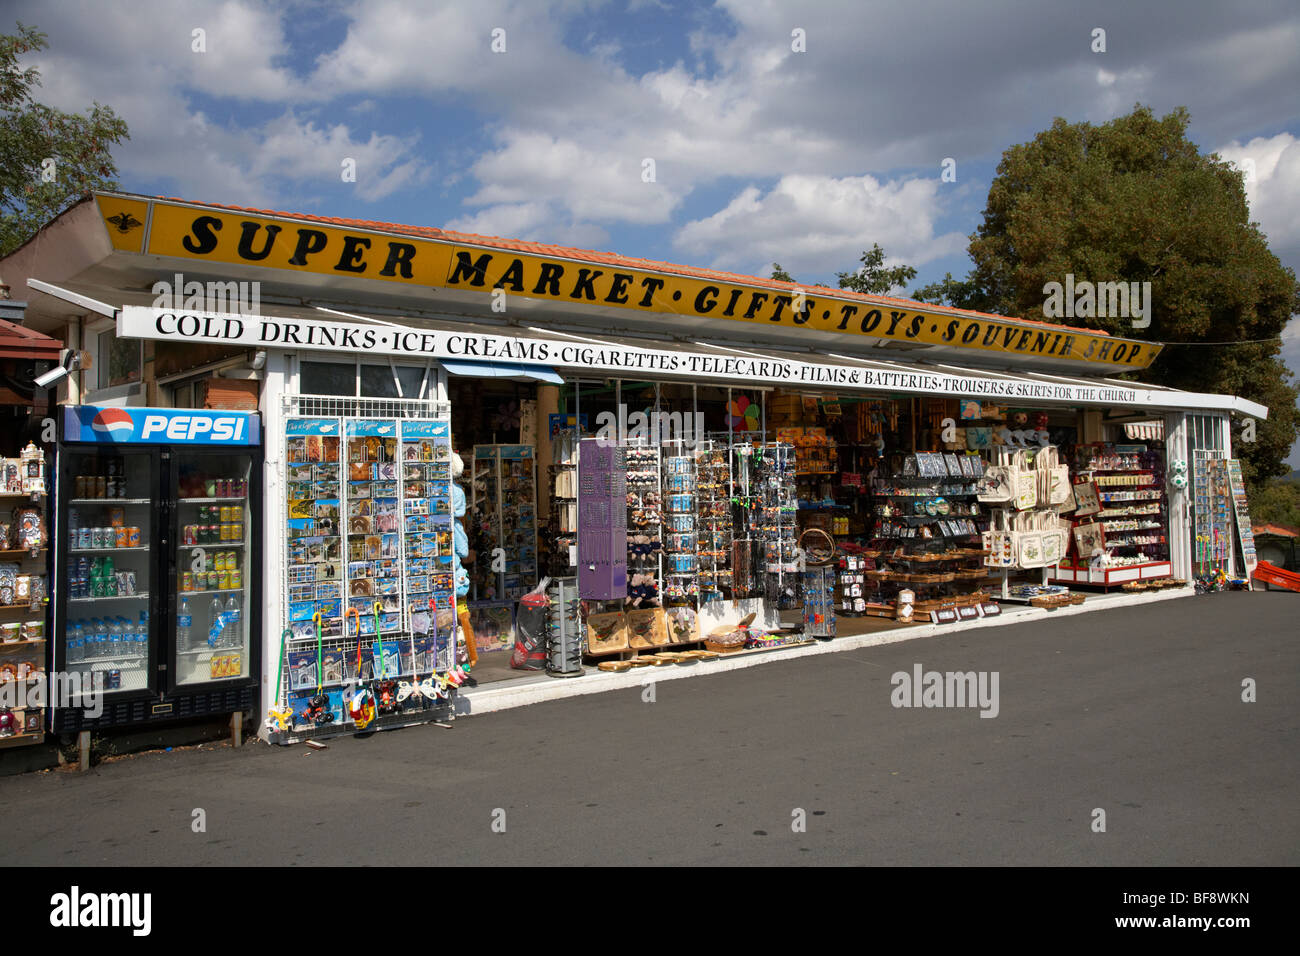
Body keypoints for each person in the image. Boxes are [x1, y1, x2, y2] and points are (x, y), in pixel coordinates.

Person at [449, 451, 478, 684]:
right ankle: (465, 658)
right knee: (462, 619)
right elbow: (463, 551)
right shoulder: (456, 526)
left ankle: (452, 661)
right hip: (456, 575)